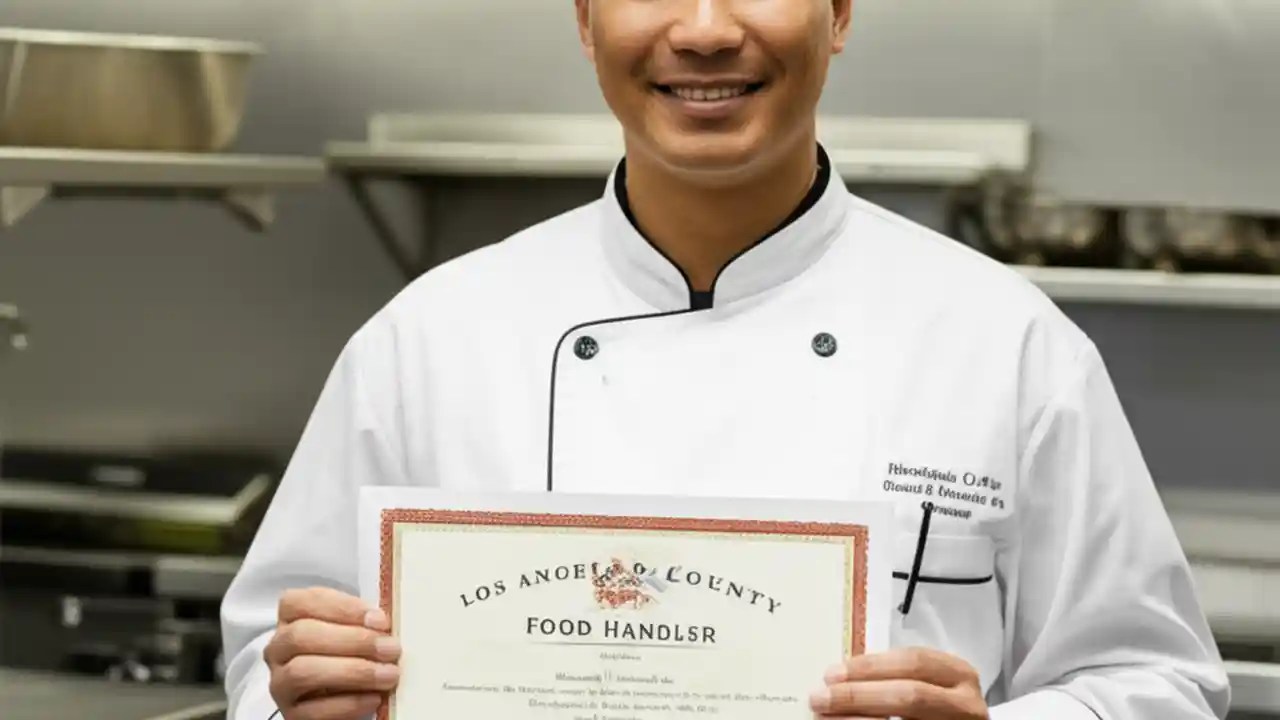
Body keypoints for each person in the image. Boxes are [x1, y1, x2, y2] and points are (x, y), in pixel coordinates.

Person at [220, 1, 1231, 718]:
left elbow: (1155, 682)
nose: (703, 29)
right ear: (583, 19)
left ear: (838, 14)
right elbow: (269, 661)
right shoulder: (427, 339)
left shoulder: (1004, 343)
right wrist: (305, 696)